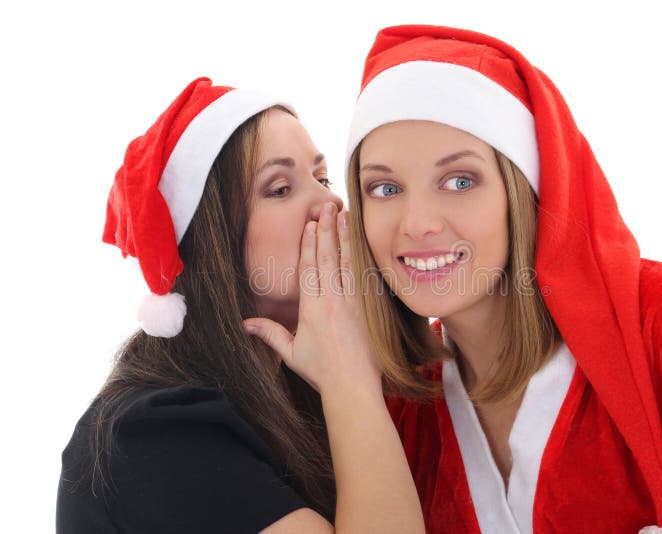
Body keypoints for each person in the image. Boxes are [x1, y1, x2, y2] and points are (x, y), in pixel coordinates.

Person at [344, 25, 662, 533]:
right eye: (384, 188)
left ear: (525, 189)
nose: (416, 222)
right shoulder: (397, 408)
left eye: (459, 181)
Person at [56, 77, 424, 534]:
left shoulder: (301, 392)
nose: (329, 202)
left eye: (322, 177)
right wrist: (352, 377)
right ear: (211, 241)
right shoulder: (151, 435)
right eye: (280, 189)